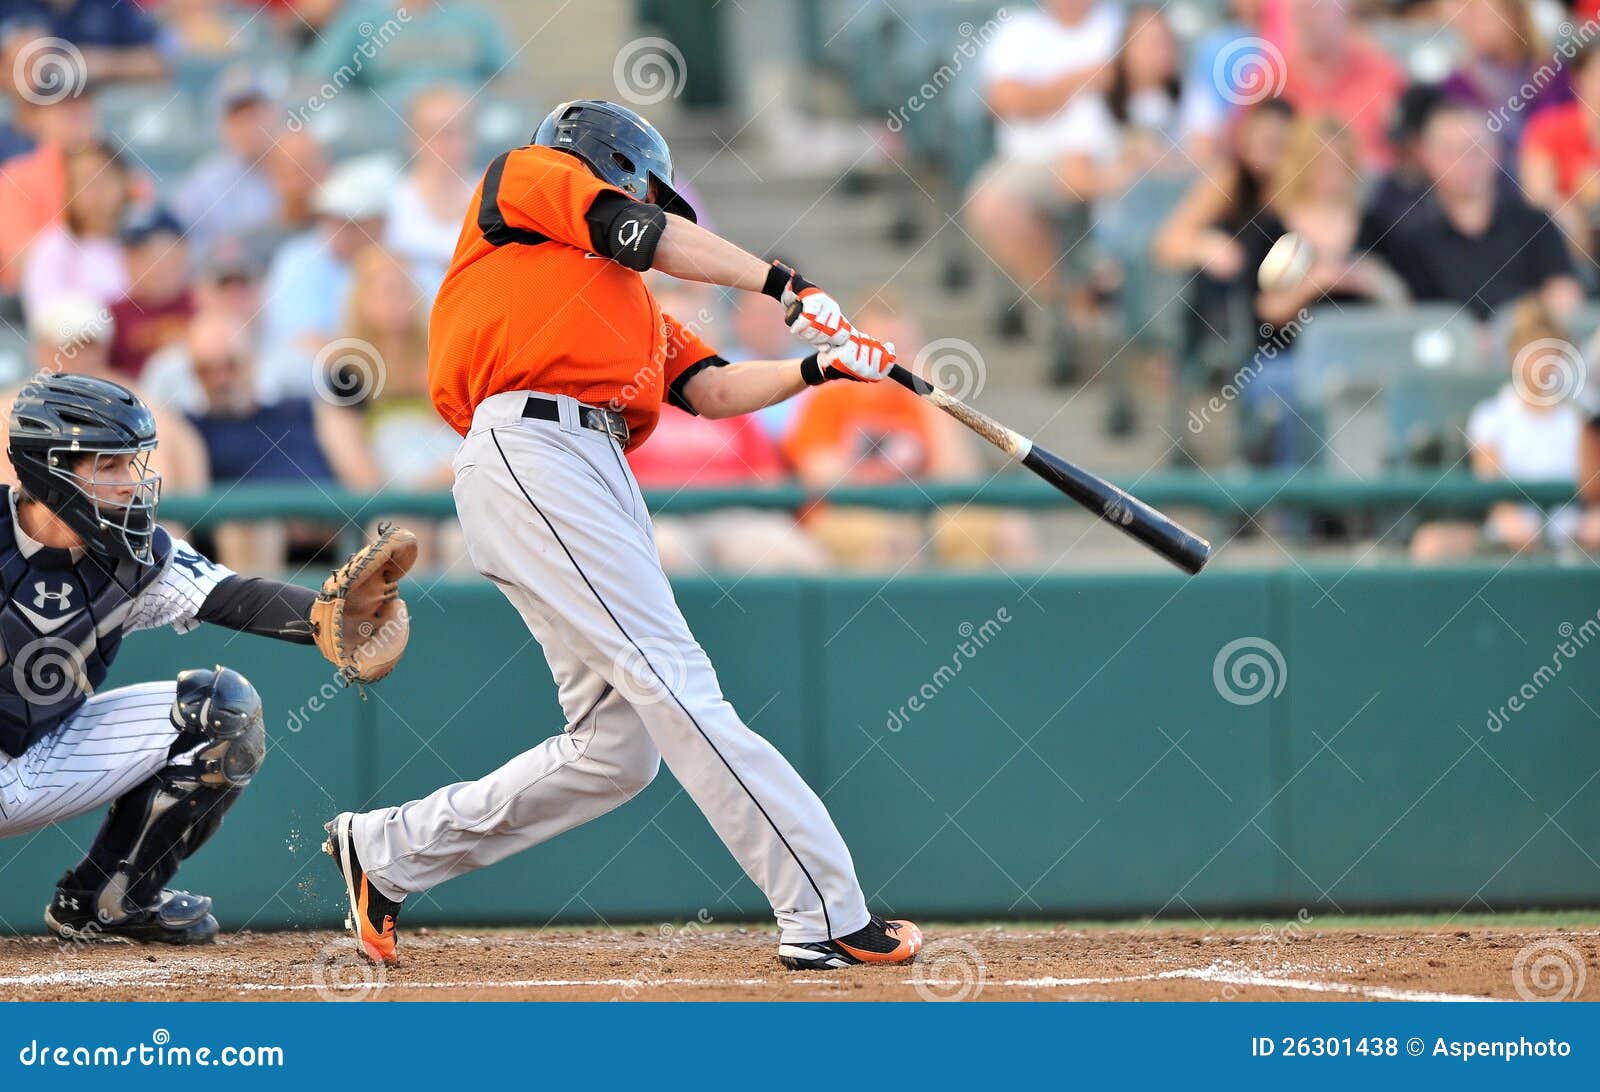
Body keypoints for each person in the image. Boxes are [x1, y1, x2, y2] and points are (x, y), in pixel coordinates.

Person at [323, 98, 923, 972]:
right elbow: (634, 229)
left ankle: (387, 851)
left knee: (616, 751)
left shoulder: (624, 304)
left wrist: (820, 366)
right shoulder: (525, 182)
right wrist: (784, 283)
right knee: (677, 685)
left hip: (590, 465)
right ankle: (823, 910)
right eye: (648, 190)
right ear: (613, 162)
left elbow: (711, 388)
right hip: (533, 446)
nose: (655, 207)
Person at [0, 372, 410, 945]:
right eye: (108, 467)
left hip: (40, 756)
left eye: (132, 464)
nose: (129, 484)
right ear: (50, 470)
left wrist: (335, 616)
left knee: (223, 713)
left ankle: (108, 900)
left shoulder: (138, 558)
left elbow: (234, 596)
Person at [781, 300, 1037, 571]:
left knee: (1010, 529)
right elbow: (823, 477)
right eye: (885, 347)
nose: (895, 359)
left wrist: (934, 399)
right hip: (849, 514)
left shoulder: (922, 406)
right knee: (895, 542)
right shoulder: (830, 396)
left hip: (921, 514)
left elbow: (959, 476)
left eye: (904, 346)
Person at [965, 0, 1123, 353]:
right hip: (1033, 162)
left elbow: (1145, 82)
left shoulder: (1121, 21)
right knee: (990, 205)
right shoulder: (1018, 28)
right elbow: (1005, 100)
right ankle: (1076, 301)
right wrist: (1085, 79)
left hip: (1116, 154)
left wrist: (1046, 94)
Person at [184, 313, 377, 571]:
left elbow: (367, 483)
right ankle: (262, 611)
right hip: (252, 541)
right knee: (253, 526)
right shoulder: (191, 429)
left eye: (230, 364)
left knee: (393, 522)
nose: (220, 379)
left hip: (331, 533)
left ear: (251, 361)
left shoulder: (306, 410)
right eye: (205, 370)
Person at [1412, 299, 1600, 562]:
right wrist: (1510, 520)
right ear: (1515, 354)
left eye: (1551, 351)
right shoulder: (1491, 416)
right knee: (1430, 542)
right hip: (1505, 542)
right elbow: (1495, 487)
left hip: (1576, 540)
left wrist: (1591, 520)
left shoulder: (1582, 418)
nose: (1542, 364)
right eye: (1531, 351)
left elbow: (1593, 488)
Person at [1381, 102, 1582, 320]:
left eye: (1475, 150)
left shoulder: (1534, 223)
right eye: (1449, 152)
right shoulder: (1410, 239)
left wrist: (1517, 332)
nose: (1464, 162)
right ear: (1426, 157)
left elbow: (1564, 293)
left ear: (1496, 153)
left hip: (1529, 349)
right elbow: (1410, 314)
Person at [259, 154, 401, 397]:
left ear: (381, 223)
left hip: (392, 391)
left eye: (352, 222)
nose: (339, 231)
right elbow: (300, 341)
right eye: (332, 219)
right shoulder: (297, 261)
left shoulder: (404, 264)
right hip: (315, 394)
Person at [1273, 0, 1404, 170]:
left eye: (1316, 10)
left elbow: (1409, 152)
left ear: (1344, 12)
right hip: (1293, 191)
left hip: (1372, 187)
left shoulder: (1385, 76)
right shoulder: (1271, 81)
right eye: (1300, 12)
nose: (1307, 22)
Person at [172, 67, 283, 258]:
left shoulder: (296, 170)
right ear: (223, 125)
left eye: (255, 114)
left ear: (273, 115)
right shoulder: (202, 184)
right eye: (237, 118)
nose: (249, 126)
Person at [385, 85, 477, 300]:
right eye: (432, 133)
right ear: (413, 139)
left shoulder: (496, 198)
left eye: (453, 133)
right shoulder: (390, 201)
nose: (443, 144)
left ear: (471, 138)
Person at [21, 141, 130, 322]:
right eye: (86, 180)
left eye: (105, 178)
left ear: (124, 184)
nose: (97, 190)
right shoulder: (52, 249)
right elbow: (50, 323)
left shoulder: (143, 241)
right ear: (69, 190)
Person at [1520, 42, 1600, 264]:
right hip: (1577, 231)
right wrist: (1578, 197)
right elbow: (1538, 196)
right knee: (1560, 217)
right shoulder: (1549, 127)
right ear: (1580, 77)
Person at [108, 206, 194, 380]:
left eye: (149, 251)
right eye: (132, 253)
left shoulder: (206, 306)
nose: (138, 262)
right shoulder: (109, 317)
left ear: (181, 252)